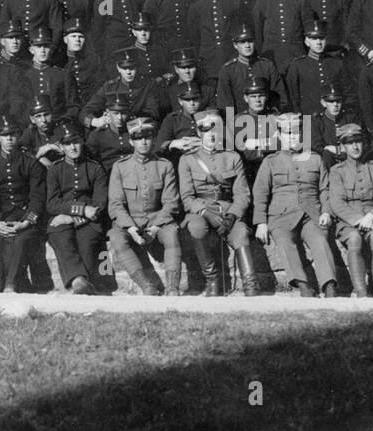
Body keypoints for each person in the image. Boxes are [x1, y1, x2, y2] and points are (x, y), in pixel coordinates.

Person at [252, 112, 337, 298]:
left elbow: (325, 189)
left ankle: (329, 285)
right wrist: (261, 222)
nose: (292, 137)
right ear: (279, 135)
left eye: (296, 132)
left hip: (311, 215)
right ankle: (303, 284)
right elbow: (260, 193)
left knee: (320, 242)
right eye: (287, 133)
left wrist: (326, 212)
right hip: (281, 217)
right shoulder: (270, 162)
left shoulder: (315, 158)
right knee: (284, 243)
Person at [177, 107, 260, 296]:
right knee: (196, 228)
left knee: (240, 233)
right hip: (202, 209)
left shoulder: (233, 157)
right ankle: (212, 279)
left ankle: (250, 283)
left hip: (227, 208)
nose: (211, 135)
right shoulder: (187, 160)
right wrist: (206, 213)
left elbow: (242, 194)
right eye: (206, 131)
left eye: (215, 130)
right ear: (199, 133)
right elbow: (187, 198)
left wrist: (232, 216)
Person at [107, 115, 183, 296]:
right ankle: (146, 286)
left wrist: (156, 226)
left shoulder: (164, 165)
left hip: (158, 220)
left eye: (147, 138)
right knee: (117, 237)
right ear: (131, 141)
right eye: (138, 138)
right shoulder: (120, 167)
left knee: (172, 234)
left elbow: (171, 202)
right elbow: (116, 204)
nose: (143, 142)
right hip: (130, 221)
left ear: (153, 139)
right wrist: (131, 228)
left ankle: (172, 287)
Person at [327, 121, 373, 298]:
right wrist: (362, 221)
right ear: (342, 146)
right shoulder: (337, 171)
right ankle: (362, 294)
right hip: (349, 223)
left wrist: (371, 218)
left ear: (364, 143)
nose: (355, 146)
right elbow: (338, 204)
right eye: (349, 143)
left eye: (358, 141)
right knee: (355, 238)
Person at [45, 120, 109, 295]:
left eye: (76, 142)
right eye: (67, 144)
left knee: (87, 241)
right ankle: (79, 281)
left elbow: (100, 203)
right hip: (62, 219)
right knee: (61, 236)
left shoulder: (95, 168)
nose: (72, 147)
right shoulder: (55, 170)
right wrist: (79, 210)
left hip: (90, 221)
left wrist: (75, 217)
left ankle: (80, 282)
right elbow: (51, 204)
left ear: (82, 142)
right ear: (61, 146)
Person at [0, 117, 45, 293]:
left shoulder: (31, 163)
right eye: (4, 135)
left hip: (23, 216)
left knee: (22, 239)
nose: (9, 139)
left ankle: (12, 282)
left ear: (19, 137)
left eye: (13, 135)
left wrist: (25, 222)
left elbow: (37, 197)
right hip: (0, 217)